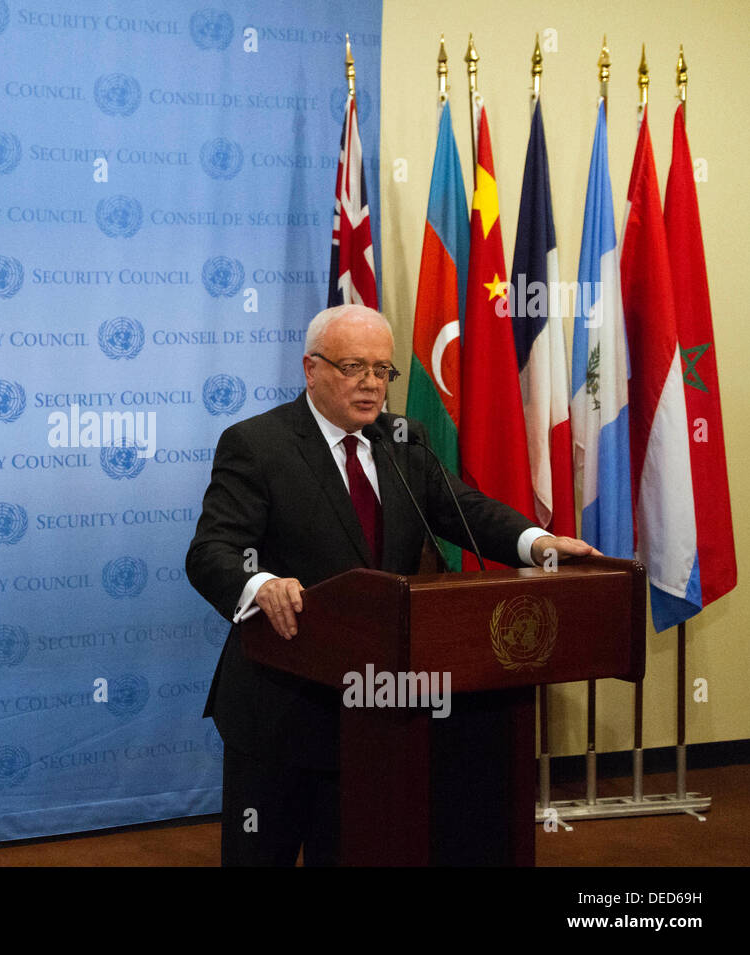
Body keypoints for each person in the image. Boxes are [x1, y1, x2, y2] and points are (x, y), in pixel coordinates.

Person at [185, 303, 600, 866]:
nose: (372, 384)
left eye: (382, 370)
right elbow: (211, 551)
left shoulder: (405, 440)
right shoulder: (258, 444)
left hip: (376, 712)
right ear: (311, 368)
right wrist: (259, 584)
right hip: (279, 706)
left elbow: (466, 511)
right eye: (354, 367)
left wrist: (536, 543)